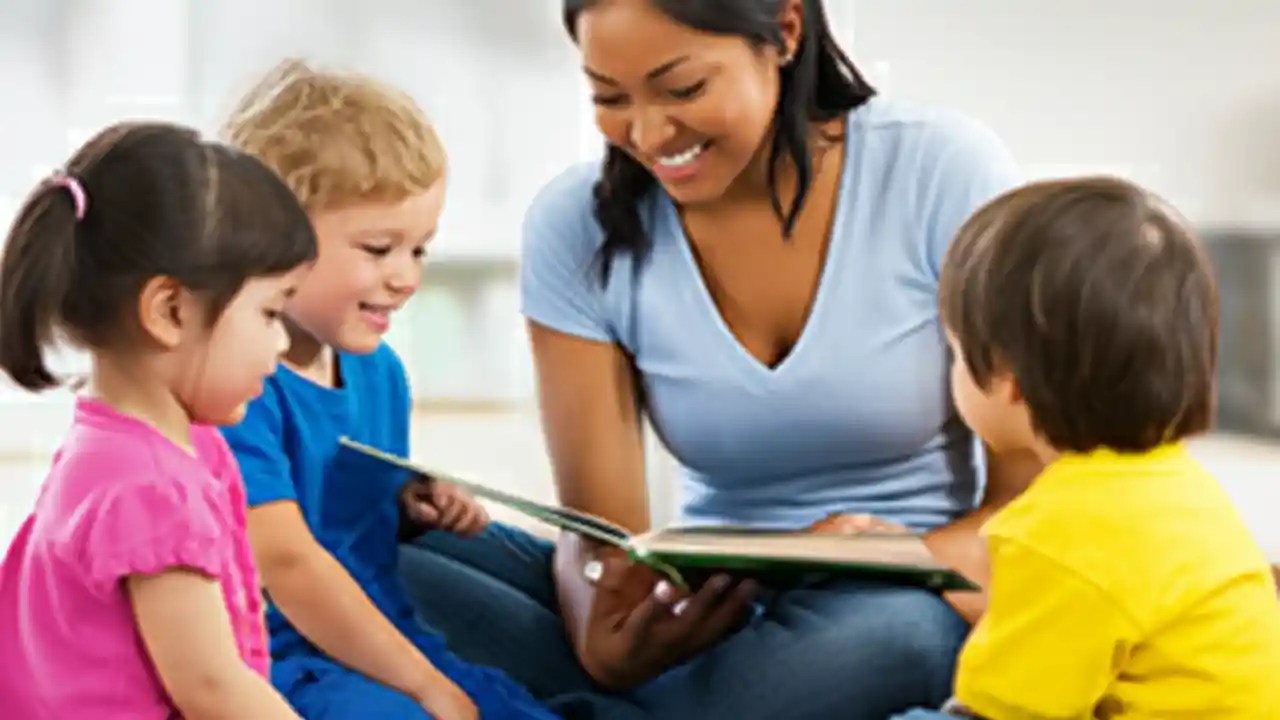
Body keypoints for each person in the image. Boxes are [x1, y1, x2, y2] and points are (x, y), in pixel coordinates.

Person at [398, 0, 1045, 718]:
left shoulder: (939, 171)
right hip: (704, 601)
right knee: (391, 561)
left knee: (899, 643)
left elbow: (1033, 507)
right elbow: (599, 536)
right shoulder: (574, 225)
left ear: (786, 31)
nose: (646, 134)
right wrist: (600, 632)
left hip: (897, 591)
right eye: (609, 97)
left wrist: (882, 554)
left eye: (683, 89)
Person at [218, 60, 565, 720]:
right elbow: (287, 565)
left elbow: (342, 512)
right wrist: (425, 687)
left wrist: (408, 501)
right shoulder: (236, 389)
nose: (406, 277)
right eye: (379, 249)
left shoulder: (381, 374)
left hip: (393, 640)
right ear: (269, 240)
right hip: (284, 663)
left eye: (420, 250)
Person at [896, 176, 1280, 717]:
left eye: (956, 352)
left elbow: (1001, 712)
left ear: (1009, 380)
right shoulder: (1184, 492)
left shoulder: (1058, 528)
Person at [0, 121, 315, 718]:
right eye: (271, 313)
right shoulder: (152, 487)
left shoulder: (125, 445)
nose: (281, 344)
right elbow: (214, 689)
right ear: (170, 310)